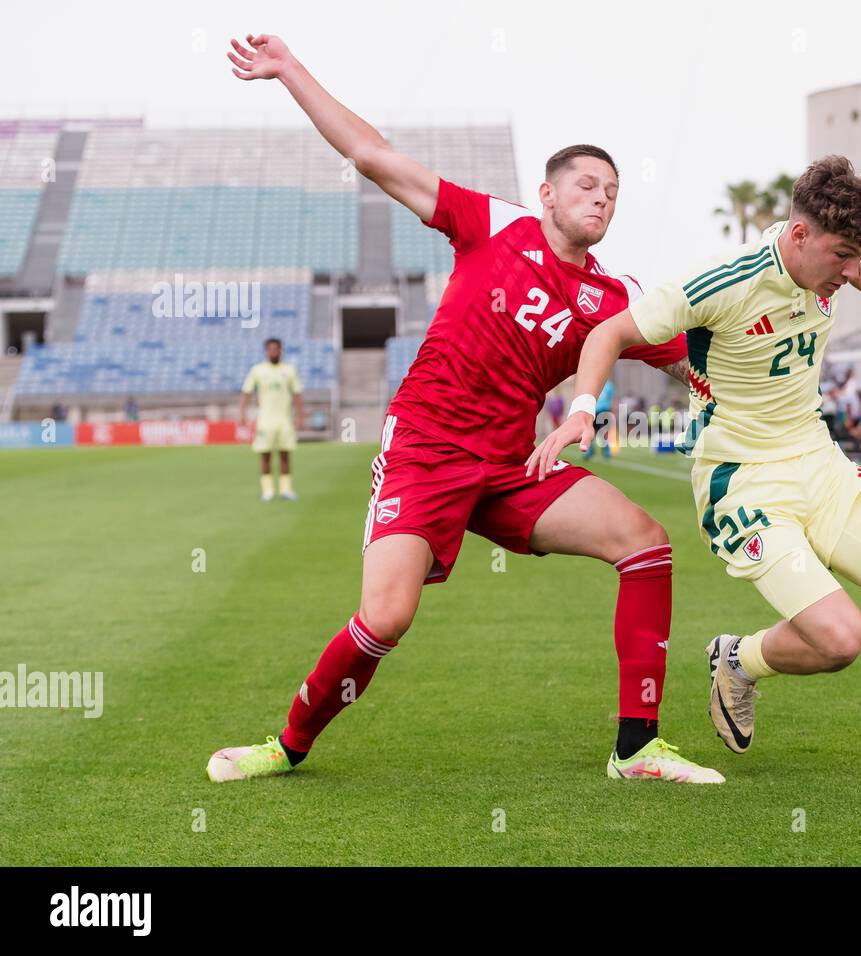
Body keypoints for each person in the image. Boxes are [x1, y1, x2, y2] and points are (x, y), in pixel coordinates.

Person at [208, 33, 721, 785]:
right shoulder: (492, 224)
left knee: (644, 542)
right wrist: (289, 71)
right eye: (586, 185)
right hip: (425, 450)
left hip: (512, 469)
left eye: (613, 191)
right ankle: (286, 745)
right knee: (385, 618)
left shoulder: (609, 302)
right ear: (547, 195)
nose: (602, 198)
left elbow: (694, 356)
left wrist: (791, 312)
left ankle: (636, 747)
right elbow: (375, 156)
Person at [531, 155, 861, 783]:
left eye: (860, 256)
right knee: (841, 640)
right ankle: (739, 659)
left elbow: (828, 265)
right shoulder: (722, 281)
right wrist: (582, 410)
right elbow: (607, 333)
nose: (851, 272)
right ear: (798, 237)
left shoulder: (824, 268)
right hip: (743, 482)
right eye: (843, 254)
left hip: (819, 461)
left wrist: (846, 263)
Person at [239, 337, 304, 501]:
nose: (274, 352)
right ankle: (267, 491)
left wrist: (300, 416)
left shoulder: (289, 370)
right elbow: (246, 392)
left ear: (281, 350)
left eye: (277, 349)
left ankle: (286, 489)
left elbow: (297, 394)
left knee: (285, 454)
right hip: (265, 421)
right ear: (266, 351)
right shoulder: (258, 370)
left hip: (284, 420)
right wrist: (242, 413)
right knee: (265, 455)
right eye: (271, 349)